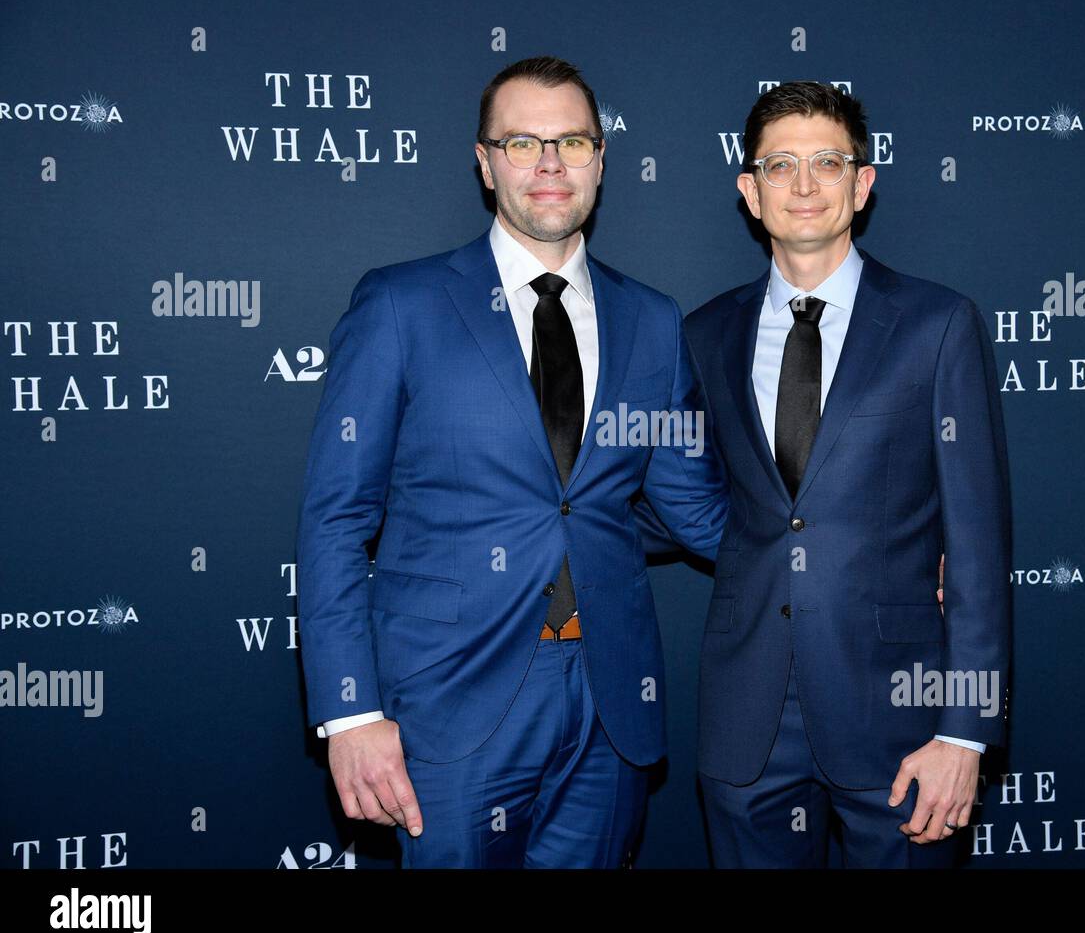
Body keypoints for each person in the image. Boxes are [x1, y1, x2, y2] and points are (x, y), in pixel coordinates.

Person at [294, 56, 727, 868]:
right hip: (447, 705)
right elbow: (335, 520)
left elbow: (695, 511)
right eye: (523, 141)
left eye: (572, 140)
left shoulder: (652, 320)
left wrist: (880, 555)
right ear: (485, 162)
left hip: (609, 706)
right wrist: (351, 713)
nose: (551, 163)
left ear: (602, 157)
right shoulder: (401, 305)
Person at [680, 81, 1011, 867]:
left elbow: (976, 540)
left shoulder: (937, 325)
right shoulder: (701, 334)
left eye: (827, 162)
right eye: (780, 165)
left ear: (862, 184)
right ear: (749, 191)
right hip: (746, 718)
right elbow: (681, 497)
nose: (803, 185)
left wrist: (964, 731)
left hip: (903, 717)